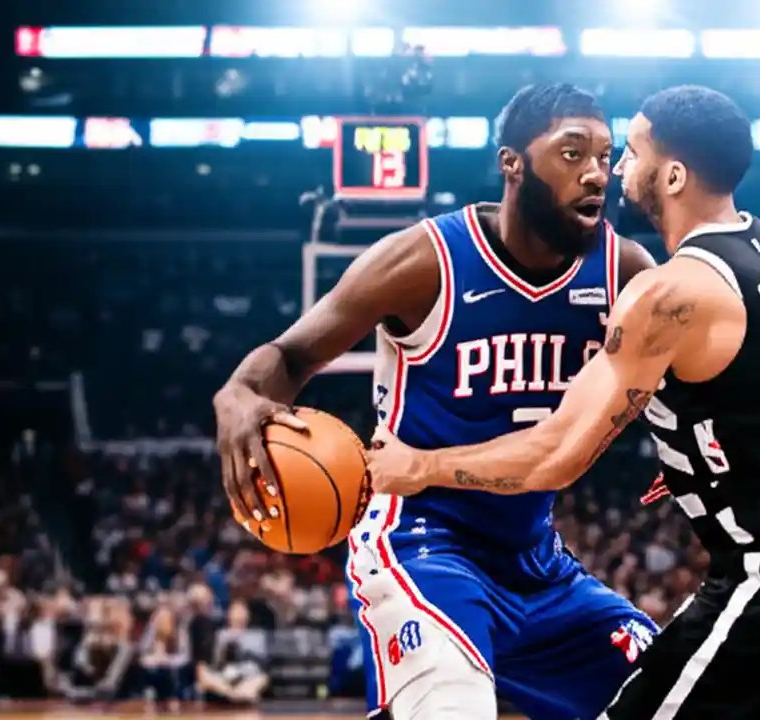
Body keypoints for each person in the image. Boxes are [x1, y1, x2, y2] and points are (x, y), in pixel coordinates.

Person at [368, 84, 760, 719]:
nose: (616, 168)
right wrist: (721, 455)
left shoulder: (667, 290)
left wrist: (418, 466)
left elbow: (556, 456)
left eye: (632, 152)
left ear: (672, 175)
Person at [214, 83, 659, 720]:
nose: (595, 174)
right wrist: (236, 393)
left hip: (539, 561)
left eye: (604, 156)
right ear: (513, 163)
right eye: (571, 154)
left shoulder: (626, 271)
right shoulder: (424, 261)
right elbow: (292, 355)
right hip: (421, 541)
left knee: (678, 696)